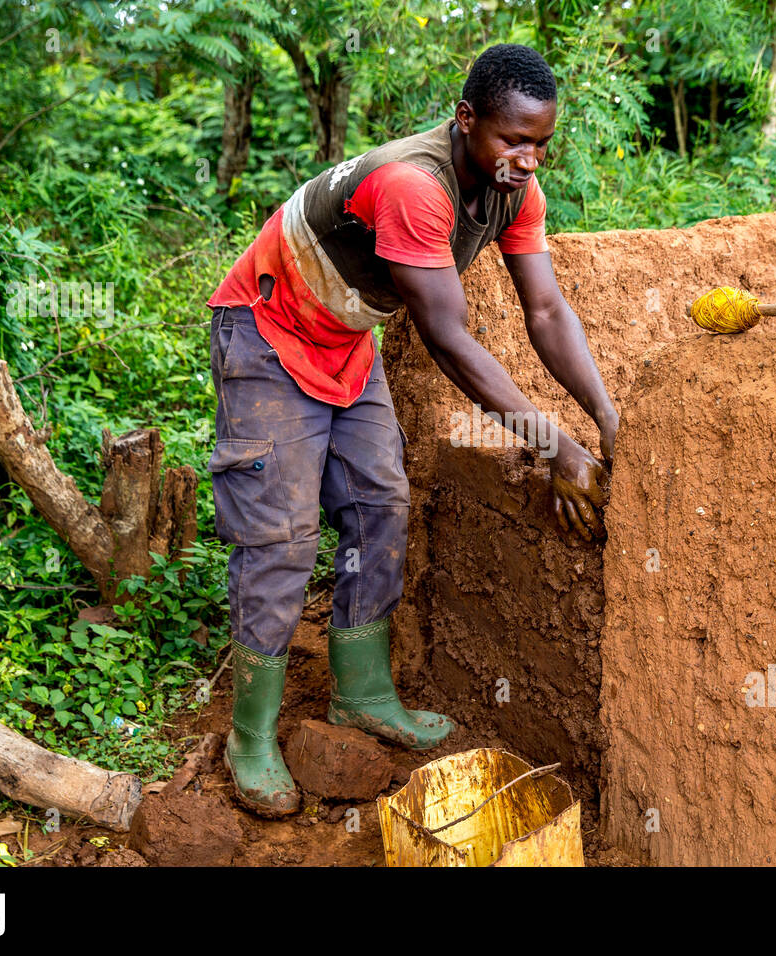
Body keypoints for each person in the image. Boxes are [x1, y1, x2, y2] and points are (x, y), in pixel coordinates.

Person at [206, 43, 618, 818]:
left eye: (541, 144)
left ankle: (362, 692)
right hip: (268, 329)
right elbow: (449, 339)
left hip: (346, 336)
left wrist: (605, 415)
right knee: (282, 534)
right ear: (466, 121)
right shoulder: (412, 185)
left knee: (380, 503)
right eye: (511, 140)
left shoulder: (512, 191)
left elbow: (547, 311)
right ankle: (252, 735)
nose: (527, 160)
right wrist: (555, 445)